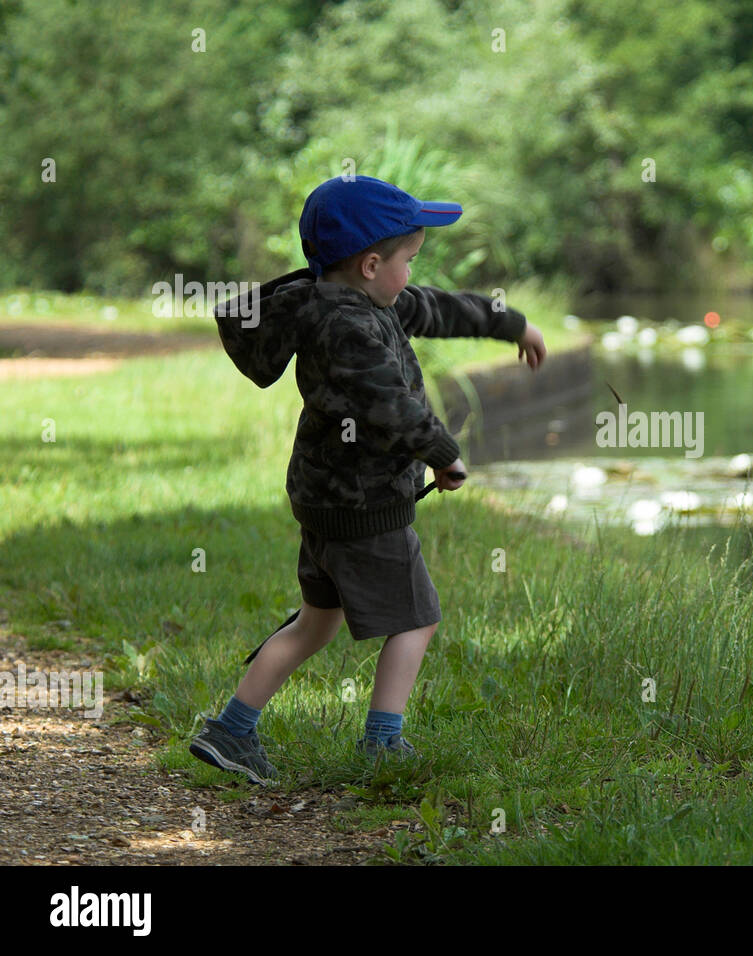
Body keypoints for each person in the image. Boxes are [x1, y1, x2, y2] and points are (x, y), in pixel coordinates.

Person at [189, 174, 546, 785]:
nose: (412, 272)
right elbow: (389, 404)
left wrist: (509, 323)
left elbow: (437, 307)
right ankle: (382, 745)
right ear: (372, 262)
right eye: (408, 259)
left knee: (315, 622)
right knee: (415, 619)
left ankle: (231, 730)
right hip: (362, 504)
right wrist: (442, 453)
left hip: (326, 501)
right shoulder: (347, 326)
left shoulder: (360, 299)